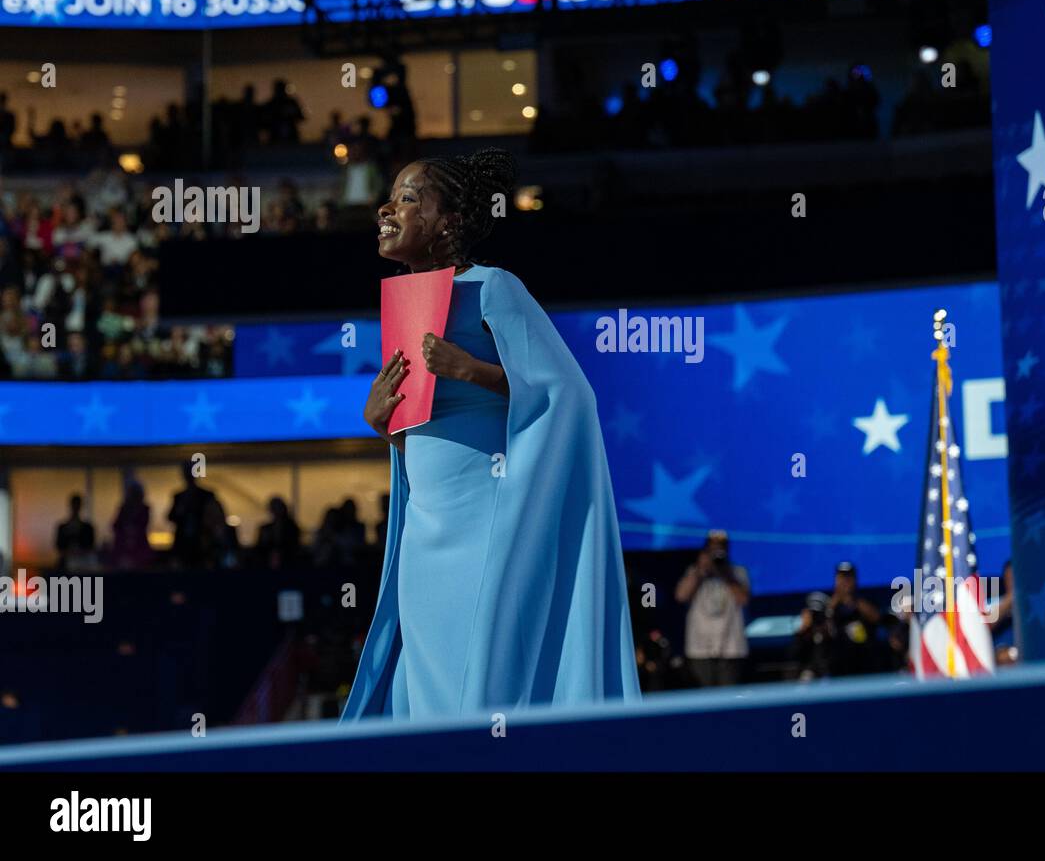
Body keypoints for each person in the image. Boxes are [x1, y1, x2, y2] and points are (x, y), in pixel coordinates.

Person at [341, 147, 640, 721]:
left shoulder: (492, 287)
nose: (386, 207)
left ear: (447, 220)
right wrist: (383, 425)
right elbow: (427, 437)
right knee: (425, 689)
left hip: (486, 529)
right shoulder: (403, 309)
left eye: (407, 198)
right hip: (424, 540)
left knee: (481, 686)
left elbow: (569, 395)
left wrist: (469, 370)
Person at [674, 529, 750, 687]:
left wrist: (726, 574)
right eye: (712, 547)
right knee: (704, 698)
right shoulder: (695, 572)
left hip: (731, 647)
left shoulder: (738, 572)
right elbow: (681, 596)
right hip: (699, 648)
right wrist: (700, 570)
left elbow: (743, 599)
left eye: (721, 547)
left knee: (728, 699)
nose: (717, 551)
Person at [168, 462, 216, 569]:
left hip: (202, 543)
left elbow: (213, 518)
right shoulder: (179, 496)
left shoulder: (206, 495)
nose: (189, 476)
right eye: (186, 473)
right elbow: (171, 517)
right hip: (183, 544)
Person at [254, 497, 302, 569]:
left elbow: (293, 546)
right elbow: (259, 547)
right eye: (274, 508)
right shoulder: (266, 528)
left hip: (287, 562)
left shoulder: (291, 527)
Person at [53, 494, 95, 572]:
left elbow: (91, 546)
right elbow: (59, 546)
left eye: (77, 505)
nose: (75, 508)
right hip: (67, 562)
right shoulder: (62, 527)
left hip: (83, 562)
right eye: (74, 505)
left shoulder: (88, 528)